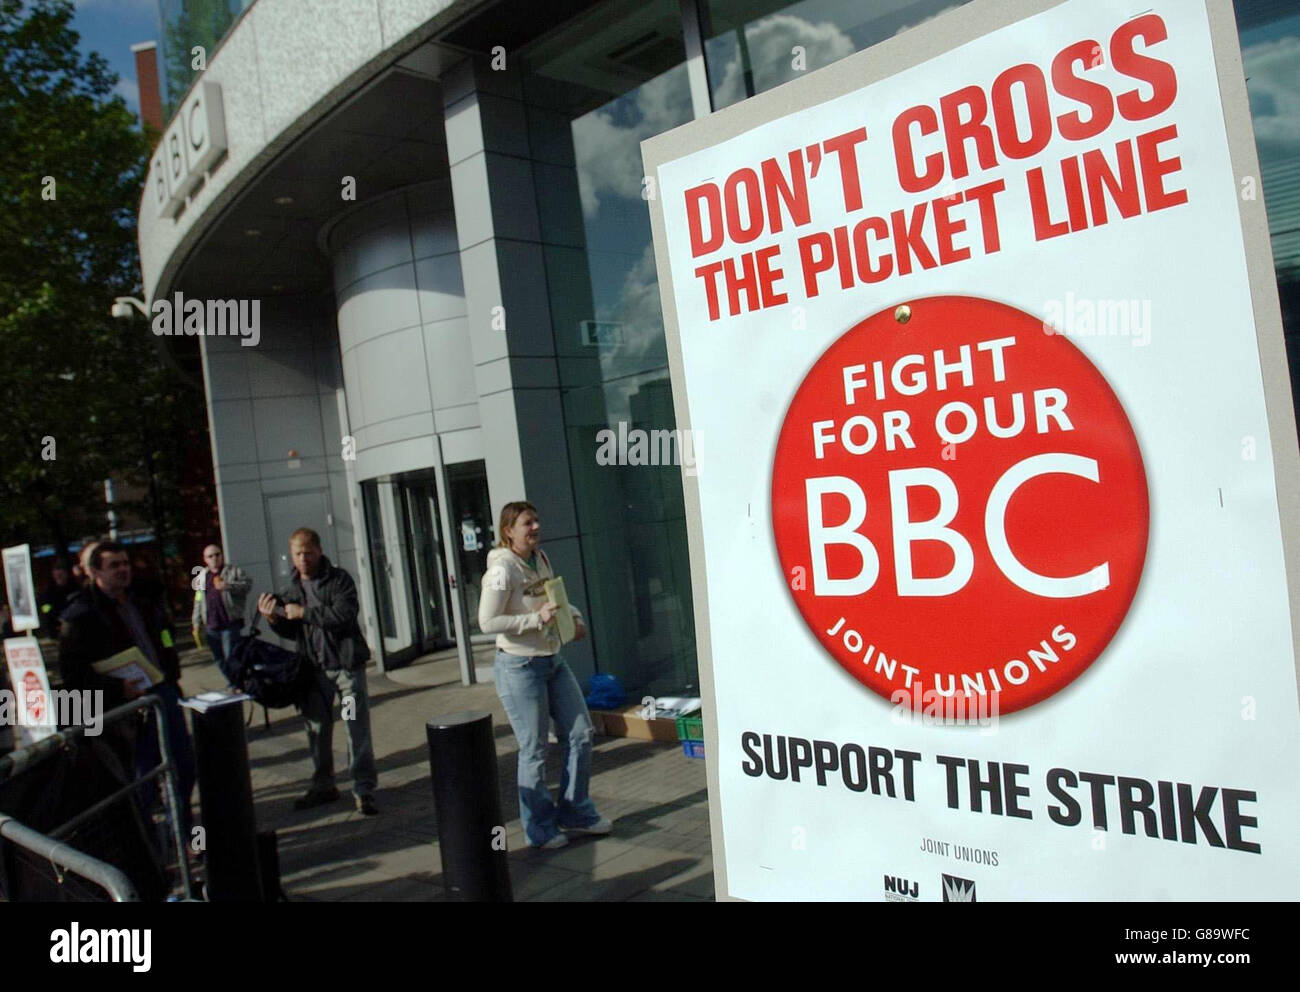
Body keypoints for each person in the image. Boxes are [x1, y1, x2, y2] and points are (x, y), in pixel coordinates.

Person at [478, 500, 611, 849]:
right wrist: (536, 620)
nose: (535, 528)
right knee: (534, 749)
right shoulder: (502, 569)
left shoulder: (541, 558)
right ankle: (539, 828)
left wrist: (574, 617)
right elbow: (487, 622)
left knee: (581, 733)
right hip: (519, 666)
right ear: (508, 531)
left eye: (536, 521)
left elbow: (554, 599)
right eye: (527, 523)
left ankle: (576, 812)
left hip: (552, 659)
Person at [58, 541, 196, 837]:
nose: (123, 570)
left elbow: (164, 637)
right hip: (127, 711)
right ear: (94, 571)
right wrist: (116, 689)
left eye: (125, 564)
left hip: (163, 692)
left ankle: (181, 834)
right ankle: (149, 848)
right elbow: (73, 677)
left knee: (183, 766)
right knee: (141, 781)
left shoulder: (143, 601)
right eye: (114, 565)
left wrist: (171, 672)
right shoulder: (81, 614)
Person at [257, 528, 378, 815]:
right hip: (315, 673)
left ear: (319, 551)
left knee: (355, 728)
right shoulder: (291, 588)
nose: (302, 559)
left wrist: (305, 613)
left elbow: (343, 614)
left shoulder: (339, 580)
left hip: (346, 669)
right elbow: (291, 628)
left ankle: (363, 789)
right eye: (297, 554)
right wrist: (273, 619)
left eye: (307, 553)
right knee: (317, 729)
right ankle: (324, 786)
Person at [191, 545, 252, 671]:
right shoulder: (202, 576)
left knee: (232, 656)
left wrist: (228, 586)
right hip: (211, 625)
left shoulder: (233, 571)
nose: (214, 558)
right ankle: (233, 683)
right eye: (210, 556)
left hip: (229, 623)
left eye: (217, 554)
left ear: (222, 555)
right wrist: (196, 622)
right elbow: (198, 600)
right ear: (205, 560)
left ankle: (238, 685)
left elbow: (247, 585)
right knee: (218, 658)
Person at [38, 561, 77, 638]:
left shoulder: (74, 588)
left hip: (73, 624)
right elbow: (45, 608)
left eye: (61, 575)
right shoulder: (49, 591)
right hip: (55, 625)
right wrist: (53, 614)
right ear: (53, 575)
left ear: (66, 574)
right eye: (57, 575)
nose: (60, 577)